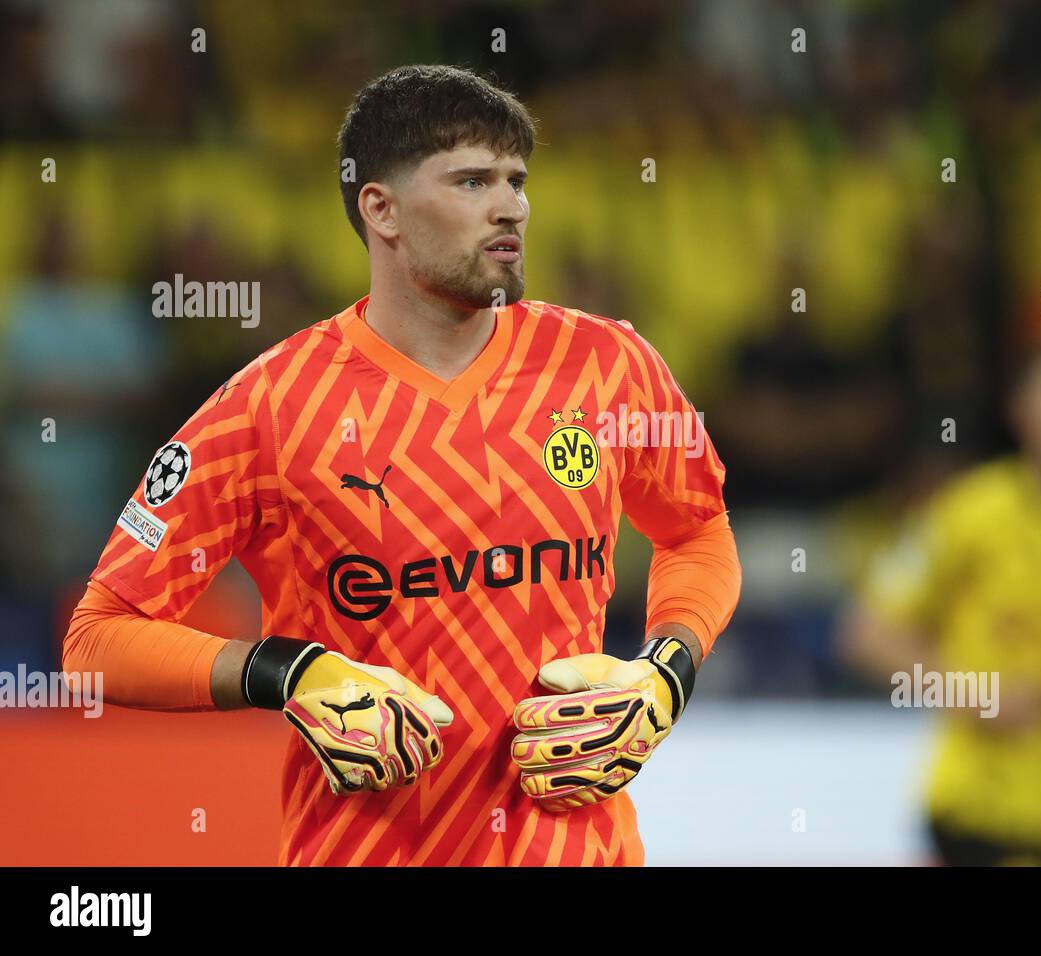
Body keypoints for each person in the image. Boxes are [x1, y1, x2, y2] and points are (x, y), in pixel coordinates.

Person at [64, 65, 742, 867]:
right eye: (471, 180)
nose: (511, 206)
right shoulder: (270, 407)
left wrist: (665, 674)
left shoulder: (608, 364)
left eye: (516, 180)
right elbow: (97, 641)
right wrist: (288, 673)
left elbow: (698, 530)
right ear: (379, 208)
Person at [840, 328, 1041, 865]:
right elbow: (868, 633)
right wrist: (977, 696)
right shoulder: (971, 511)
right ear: (1026, 412)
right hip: (966, 803)